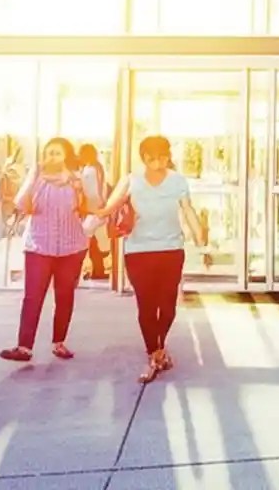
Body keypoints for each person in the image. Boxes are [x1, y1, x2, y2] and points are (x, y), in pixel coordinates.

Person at [98, 136, 207, 383]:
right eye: (152, 158)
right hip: (138, 251)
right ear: (143, 158)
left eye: (163, 156)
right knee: (146, 305)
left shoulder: (178, 181)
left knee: (167, 306)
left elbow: (187, 209)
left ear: (169, 156)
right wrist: (88, 214)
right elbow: (108, 208)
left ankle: (158, 348)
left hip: (170, 248)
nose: (158, 162)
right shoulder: (131, 180)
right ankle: (154, 353)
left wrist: (198, 233)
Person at [0, 137, 89, 363]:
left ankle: (59, 342)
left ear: (66, 156)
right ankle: (24, 347)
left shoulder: (76, 179)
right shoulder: (37, 177)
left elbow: (87, 206)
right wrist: (33, 177)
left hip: (71, 247)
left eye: (57, 153)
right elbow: (23, 204)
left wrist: (79, 186)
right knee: (33, 297)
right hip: (39, 245)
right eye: (49, 152)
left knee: (65, 295)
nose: (52, 157)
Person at [79, 144, 110, 281]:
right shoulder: (97, 168)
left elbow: (91, 192)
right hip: (97, 209)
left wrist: (90, 208)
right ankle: (98, 269)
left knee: (86, 239)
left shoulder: (89, 170)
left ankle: (95, 268)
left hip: (93, 210)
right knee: (93, 241)